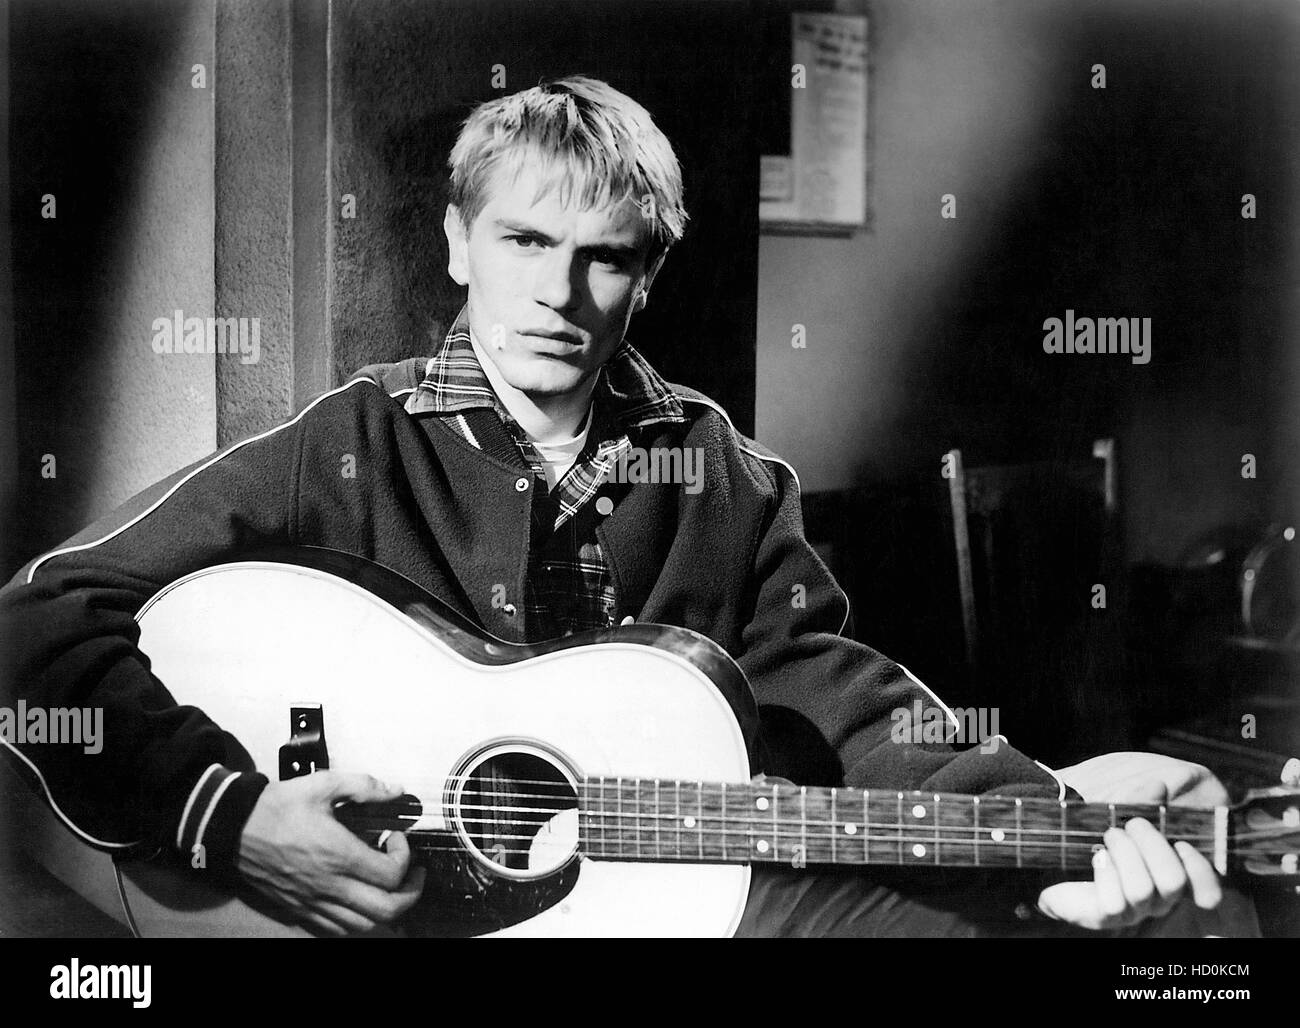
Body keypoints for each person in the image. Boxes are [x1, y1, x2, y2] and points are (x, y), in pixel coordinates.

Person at [0, 76, 1252, 938]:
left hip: (673, 892)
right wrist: (232, 814)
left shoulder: (721, 470)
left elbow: (856, 715)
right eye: (523, 241)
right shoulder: (349, 441)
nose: (557, 292)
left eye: (604, 255)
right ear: (456, 242)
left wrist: (1062, 818)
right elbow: (34, 623)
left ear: (645, 276)